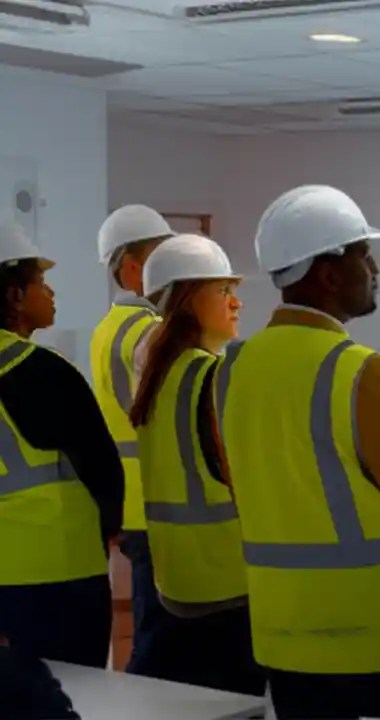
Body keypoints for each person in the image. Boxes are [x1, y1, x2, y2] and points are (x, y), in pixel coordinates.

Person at [213, 185, 380, 719]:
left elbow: (242, 485)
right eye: (363, 253)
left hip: (285, 641)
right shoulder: (364, 372)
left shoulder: (231, 370)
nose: (374, 268)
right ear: (327, 274)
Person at [126, 234, 265, 696]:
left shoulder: (158, 378)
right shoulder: (211, 377)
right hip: (227, 589)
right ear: (187, 299)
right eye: (222, 290)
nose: (236, 302)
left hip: (178, 583)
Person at [0, 221, 123, 668]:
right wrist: (111, 524)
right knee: (76, 698)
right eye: (41, 283)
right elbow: (102, 465)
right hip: (60, 574)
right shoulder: (43, 371)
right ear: (14, 296)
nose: (50, 294)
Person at [89, 204, 175, 676]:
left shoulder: (109, 327)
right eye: (162, 257)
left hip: (139, 504)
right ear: (131, 267)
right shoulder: (145, 330)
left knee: (155, 628)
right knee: (158, 637)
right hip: (157, 504)